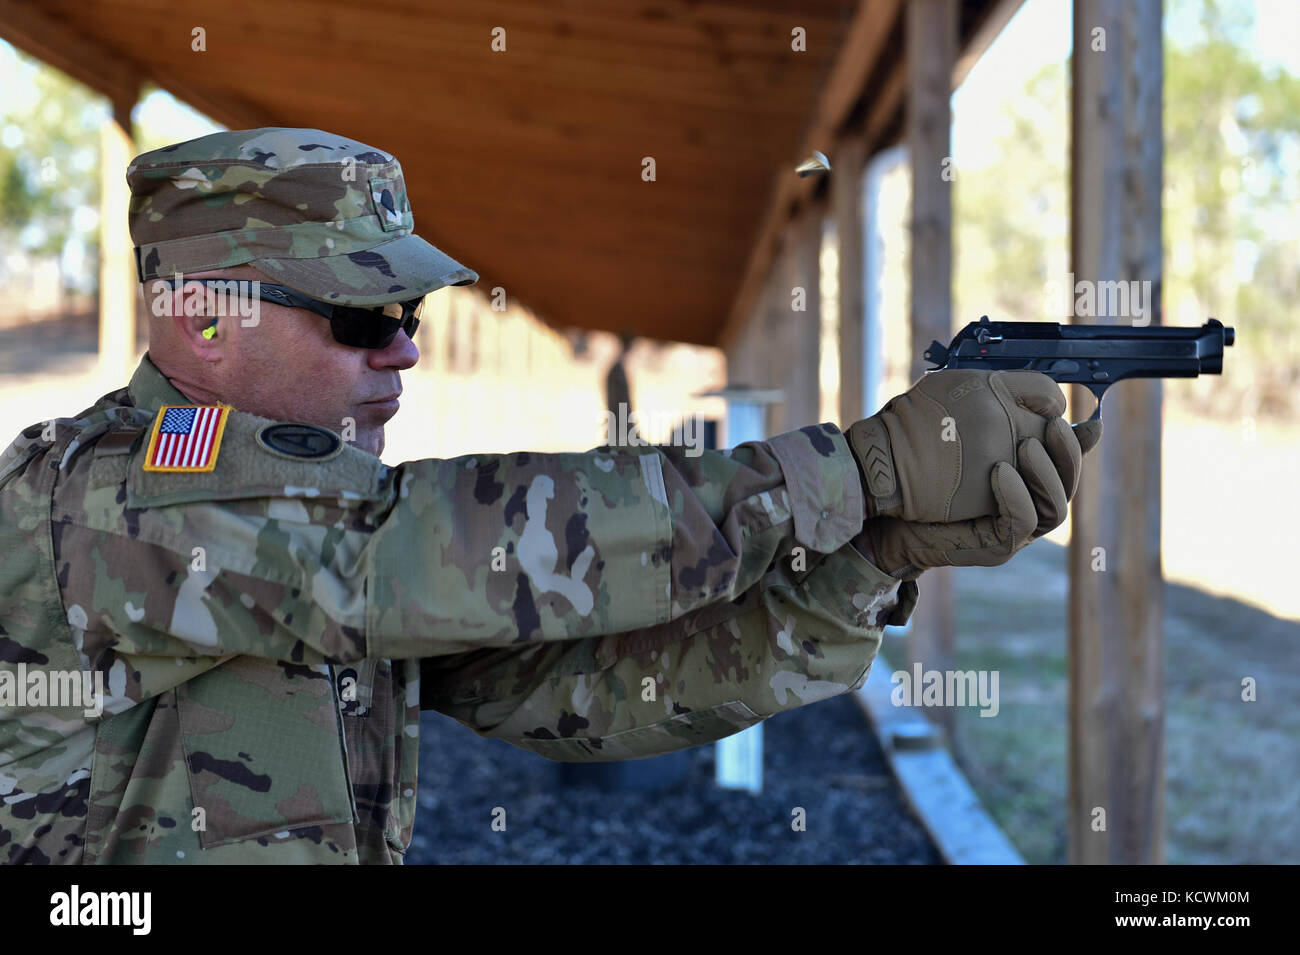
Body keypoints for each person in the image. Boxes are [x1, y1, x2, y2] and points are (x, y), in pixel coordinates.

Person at [0, 127, 1098, 864]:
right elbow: (451, 543)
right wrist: (847, 472)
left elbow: (584, 689)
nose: (404, 353)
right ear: (200, 318)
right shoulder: (100, 491)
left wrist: (870, 556)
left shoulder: (325, 525)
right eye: (363, 317)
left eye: (412, 317)